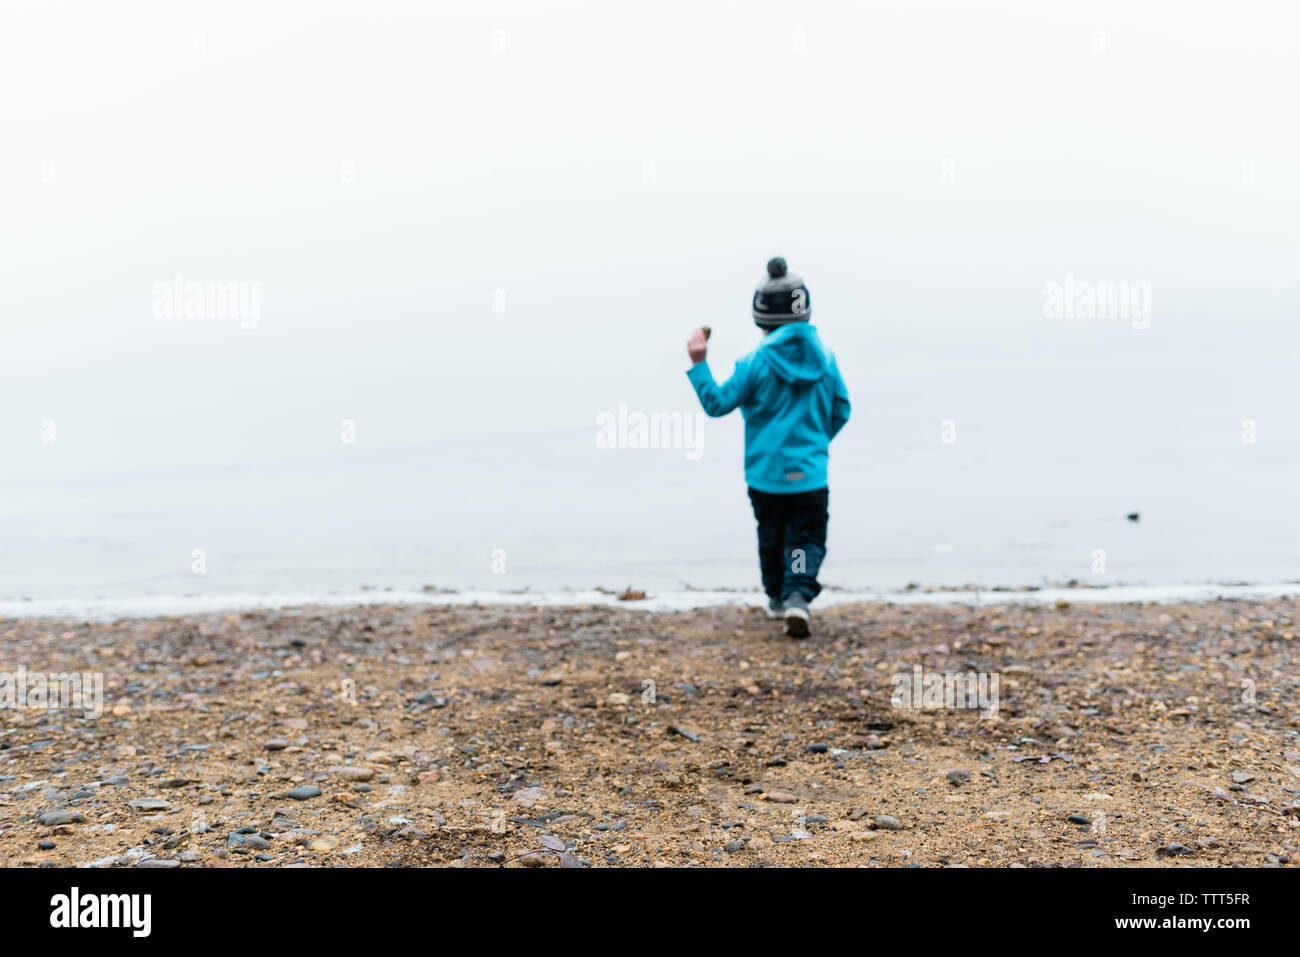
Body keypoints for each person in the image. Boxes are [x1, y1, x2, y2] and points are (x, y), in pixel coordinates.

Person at [685, 257, 850, 638]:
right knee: (805, 538)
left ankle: (778, 596)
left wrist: (698, 362)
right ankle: (797, 595)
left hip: (766, 475)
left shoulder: (753, 363)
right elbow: (841, 408)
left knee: (773, 535)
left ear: (760, 319)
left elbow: (717, 404)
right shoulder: (825, 359)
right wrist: (816, 444)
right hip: (809, 474)